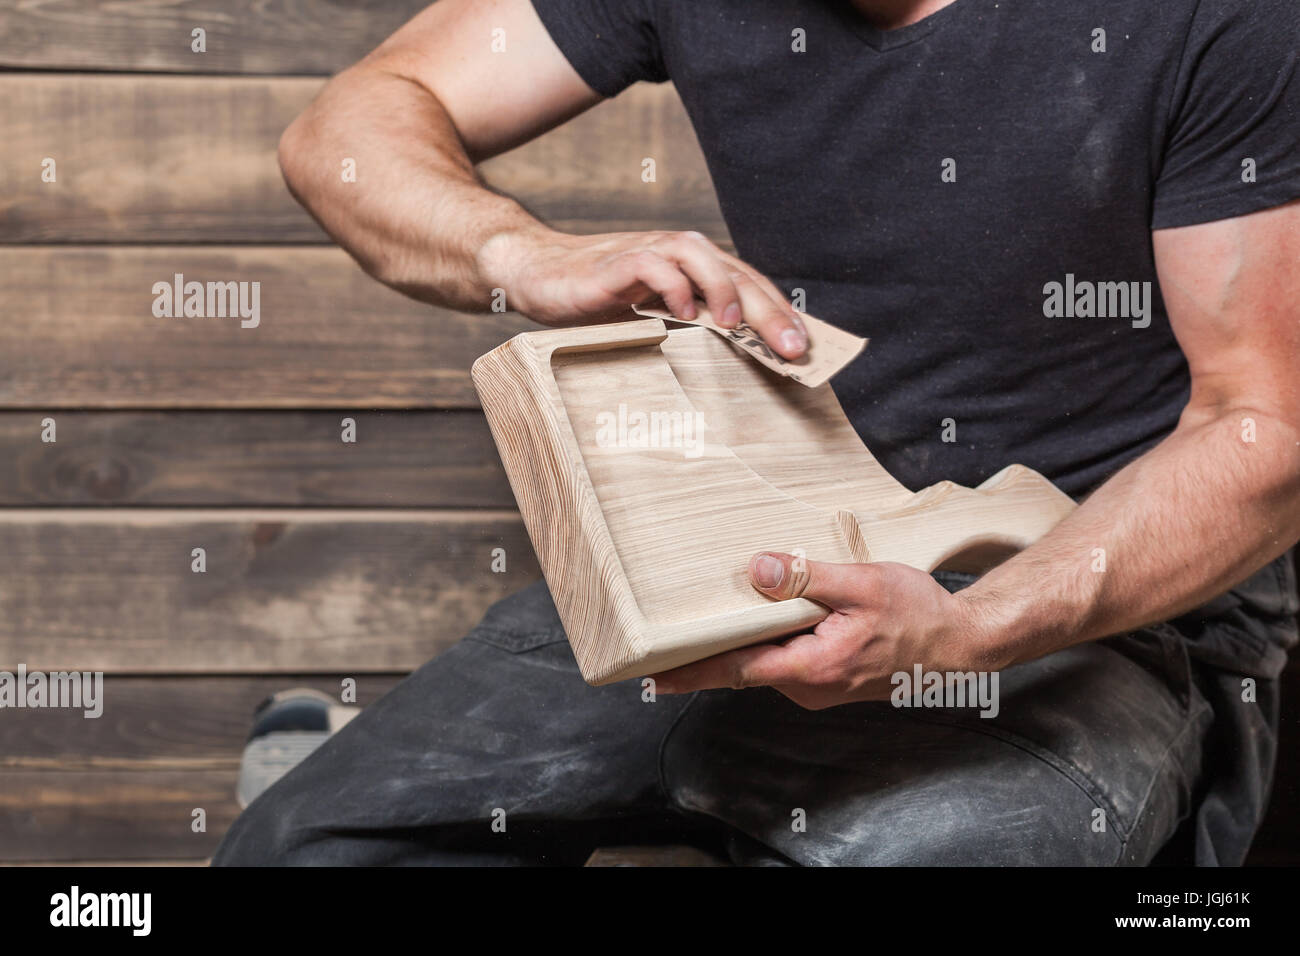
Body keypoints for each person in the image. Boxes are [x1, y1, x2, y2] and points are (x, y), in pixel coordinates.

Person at [212, 0, 1300, 866]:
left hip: (1102, 607)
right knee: (305, 845)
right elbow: (345, 128)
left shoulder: (1224, 18)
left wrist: (975, 631)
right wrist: (522, 255)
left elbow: (1264, 428)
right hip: (766, 559)